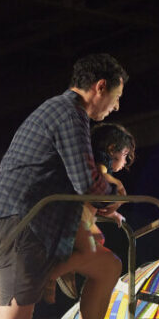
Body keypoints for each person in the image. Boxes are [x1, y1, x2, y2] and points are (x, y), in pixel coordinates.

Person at [0, 54, 128, 319]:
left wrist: (102, 200)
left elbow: (78, 182)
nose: (116, 107)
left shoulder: (66, 113)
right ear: (100, 87)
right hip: (19, 223)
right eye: (116, 97)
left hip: (33, 226)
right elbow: (86, 182)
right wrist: (114, 195)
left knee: (107, 266)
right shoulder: (69, 115)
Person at [44, 122, 136, 301]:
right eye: (124, 155)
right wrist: (118, 185)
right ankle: (53, 273)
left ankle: (66, 267)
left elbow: (96, 201)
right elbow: (100, 176)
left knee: (97, 240)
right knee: (90, 249)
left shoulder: (89, 164)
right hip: (76, 216)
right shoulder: (101, 160)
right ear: (112, 149)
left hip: (81, 215)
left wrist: (112, 213)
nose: (125, 162)